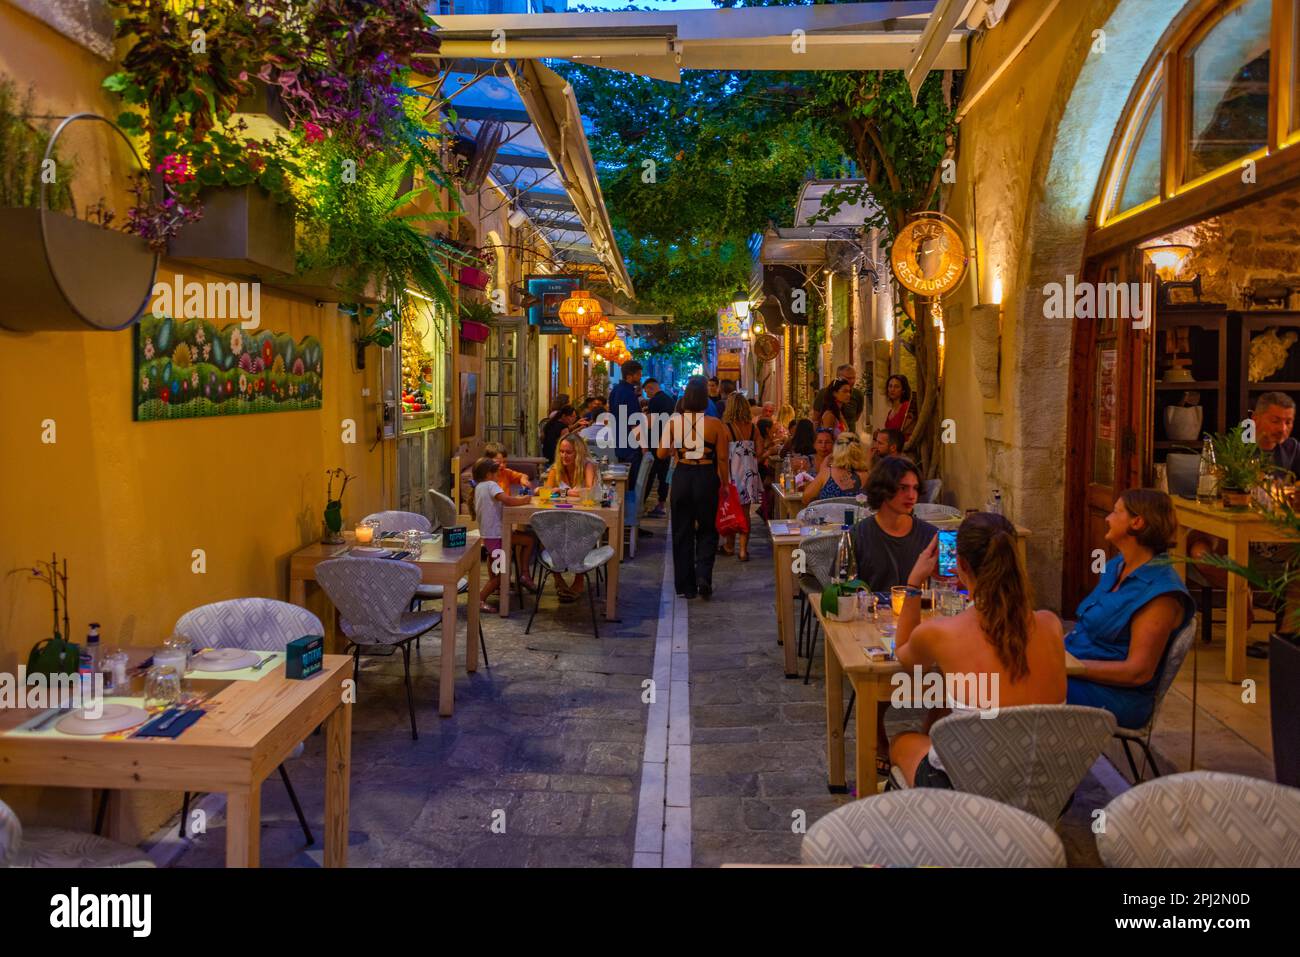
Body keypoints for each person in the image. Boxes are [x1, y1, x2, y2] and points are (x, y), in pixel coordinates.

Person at [889, 512, 1068, 788]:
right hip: (1044, 787)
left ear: (960, 564)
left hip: (968, 790)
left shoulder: (940, 633)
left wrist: (914, 584)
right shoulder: (1051, 624)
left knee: (902, 742)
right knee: (947, 709)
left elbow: (904, 655)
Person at [1066, 488, 1195, 730]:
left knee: (1015, 685)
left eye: (1116, 512)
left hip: (1114, 696)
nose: (1107, 518)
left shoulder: (1160, 593)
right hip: (1076, 670)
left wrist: (1070, 667)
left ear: (1137, 522)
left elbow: (1138, 672)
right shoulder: (1116, 566)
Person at [849, 454, 940, 774]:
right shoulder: (860, 535)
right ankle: (881, 743)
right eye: (902, 488)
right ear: (884, 490)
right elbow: (848, 588)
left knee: (952, 678)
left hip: (920, 626)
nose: (911, 495)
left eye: (915, 488)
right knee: (871, 679)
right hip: (873, 627)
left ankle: (927, 743)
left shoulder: (930, 535)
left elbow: (948, 586)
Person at [657, 375, 730, 599]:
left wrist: (675, 448)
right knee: (708, 529)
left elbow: (660, 453)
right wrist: (725, 485)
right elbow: (722, 459)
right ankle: (703, 577)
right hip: (706, 476)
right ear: (705, 399)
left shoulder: (674, 423)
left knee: (682, 530)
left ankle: (686, 586)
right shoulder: (715, 425)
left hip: (682, 476)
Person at [471, 457, 536, 612]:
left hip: (493, 535)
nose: (498, 476)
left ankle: (524, 574)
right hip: (496, 536)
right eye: (495, 473)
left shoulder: (479, 487)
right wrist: (525, 500)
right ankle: (479, 599)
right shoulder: (491, 485)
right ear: (488, 474)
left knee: (527, 540)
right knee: (502, 574)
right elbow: (508, 500)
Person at [542, 435, 602, 600]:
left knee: (579, 533)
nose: (564, 456)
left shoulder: (588, 466)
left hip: (584, 517)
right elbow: (546, 492)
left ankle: (579, 578)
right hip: (560, 516)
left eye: (568, 452)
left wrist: (563, 492)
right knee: (546, 532)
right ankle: (557, 577)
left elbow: (589, 491)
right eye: (561, 452)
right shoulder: (556, 469)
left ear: (578, 453)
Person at [722, 392, 763, 561]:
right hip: (749, 474)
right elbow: (759, 451)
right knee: (745, 512)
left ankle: (730, 546)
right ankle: (743, 550)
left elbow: (722, 454)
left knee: (731, 510)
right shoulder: (753, 428)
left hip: (732, 474)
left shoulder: (726, 428)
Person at [801, 436, 872, 505]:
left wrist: (822, 470)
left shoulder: (827, 473)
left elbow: (806, 499)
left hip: (828, 516)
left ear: (836, 451)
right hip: (858, 517)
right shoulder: (868, 476)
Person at [644, 378, 676, 518]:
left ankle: (642, 502)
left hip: (655, 442)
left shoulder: (654, 401)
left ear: (651, 388)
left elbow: (650, 424)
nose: (646, 395)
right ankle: (661, 503)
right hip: (667, 440)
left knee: (650, 474)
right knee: (663, 475)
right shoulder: (670, 399)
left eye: (646, 391)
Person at [813, 363, 866, 431]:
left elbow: (856, 418)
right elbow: (816, 419)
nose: (852, 381)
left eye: (853, 378)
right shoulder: (824, 395)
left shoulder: (858, 394)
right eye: (848, 378)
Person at [883, 374, 916, 440]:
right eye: (890, 386)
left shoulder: (906, 407)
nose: (892, 389)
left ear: (903, 390)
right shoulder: (890, 412)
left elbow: (909, 432)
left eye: (897, 387)